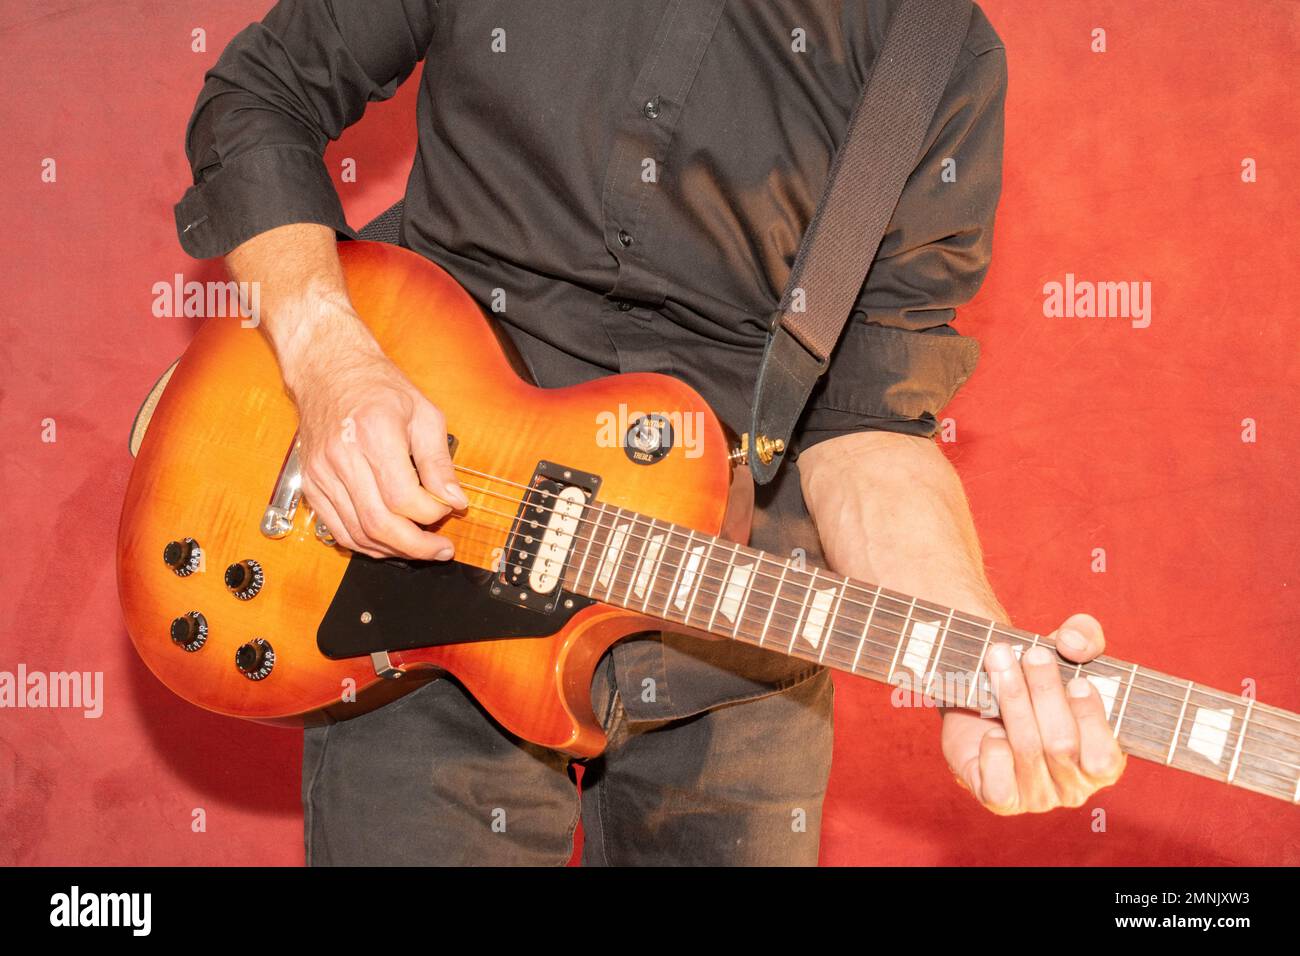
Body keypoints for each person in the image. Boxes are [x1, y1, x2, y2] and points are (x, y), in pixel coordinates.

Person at [173, 0, 1125, 865]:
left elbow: (869, 428)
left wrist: (976, 661)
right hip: (426, 566)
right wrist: (332, 362)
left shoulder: (932, 51)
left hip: (730, 634)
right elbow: (257, 97)